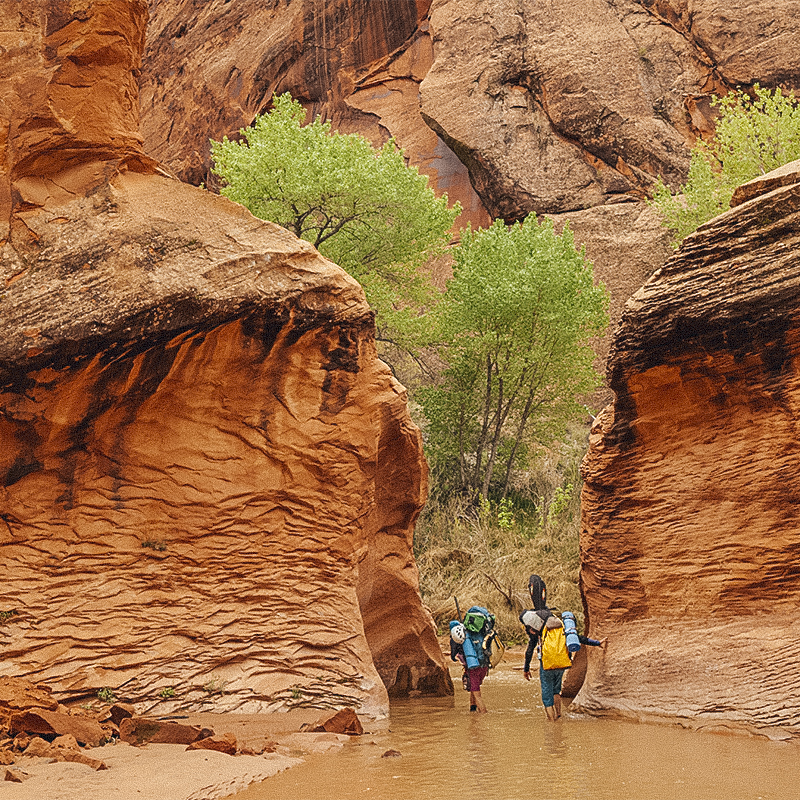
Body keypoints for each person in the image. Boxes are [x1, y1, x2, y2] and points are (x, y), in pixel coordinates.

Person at [520, 607, 607, 721]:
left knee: (547, 696)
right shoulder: (561, 625)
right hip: (562, 664)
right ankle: (559, 714)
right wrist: (596, 643)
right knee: (556, 690)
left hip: (547, 665)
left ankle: (552, 722)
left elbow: (530, 650)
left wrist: (526, 669)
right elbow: (578, 638)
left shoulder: (540, 630)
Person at [449, 606, 495, 713]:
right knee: (474, 689)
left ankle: (483, 715)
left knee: (476, 693)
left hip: (472, 668)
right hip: (484, 665)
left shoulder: (462, 635)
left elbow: (453, 653)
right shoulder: (480, 632)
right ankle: (473, 711)